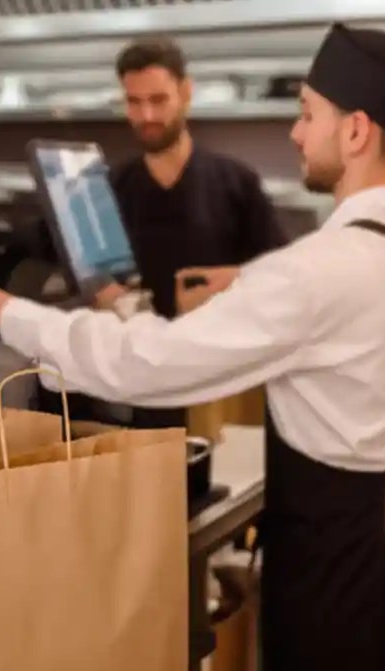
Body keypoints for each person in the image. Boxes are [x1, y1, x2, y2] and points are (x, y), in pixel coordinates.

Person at [0, 24, 385, 671]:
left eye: (306, 113)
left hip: (338, 568)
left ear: (355, 131)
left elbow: (145, 362)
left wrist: (1, 308)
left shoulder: (323, 269)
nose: (297, 134)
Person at [76, 37, 289, 429]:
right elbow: (77, 257)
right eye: (134, 102)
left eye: (158, 100)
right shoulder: (111, 187)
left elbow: (283, 276)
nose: (146, 115)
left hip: (222, 390)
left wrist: (236, 282)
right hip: (143, 386)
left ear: (186, 93)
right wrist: (98, 287)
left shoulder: (234, 182)